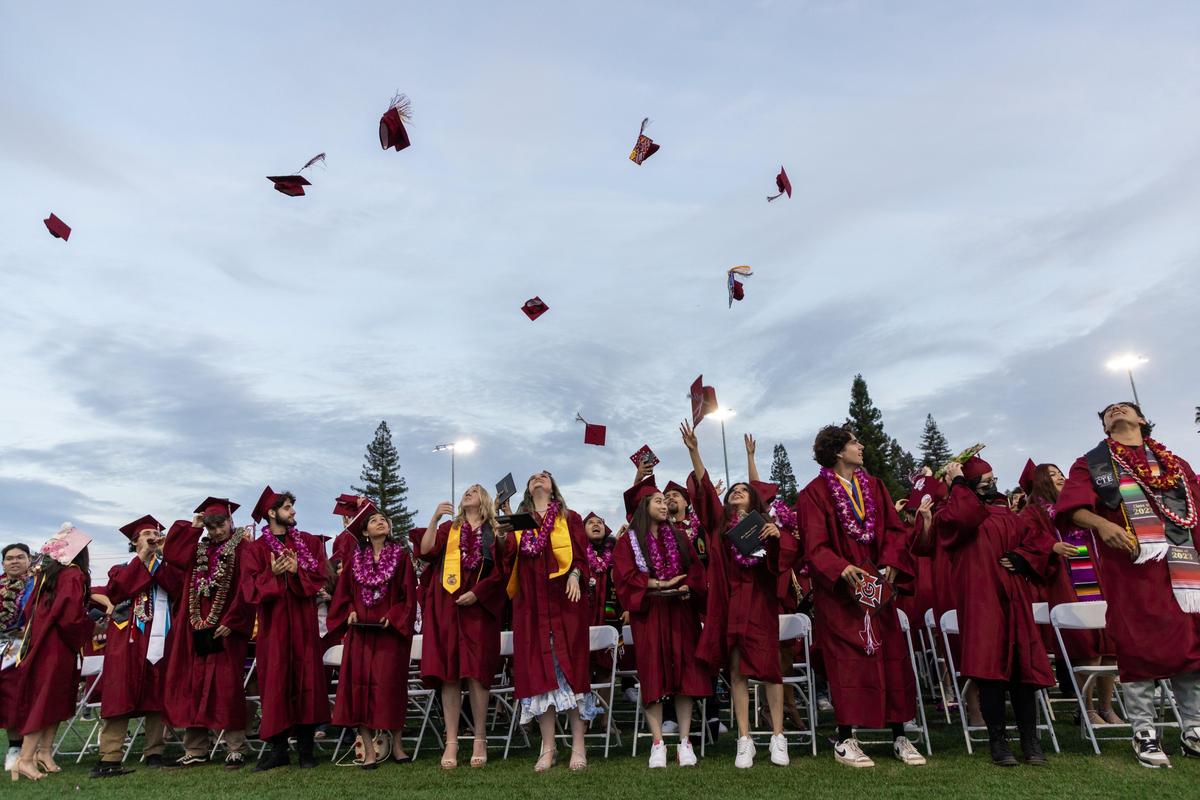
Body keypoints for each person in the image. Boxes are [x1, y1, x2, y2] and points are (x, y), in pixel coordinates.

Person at [1055, 401, 1200, 767]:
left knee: (1191, 646)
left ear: (1141, 419)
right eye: (1108, 411)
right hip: (1133, 570)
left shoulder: (1175, 465)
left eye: (1125, 407)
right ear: (1105, 426)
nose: (1116, 410)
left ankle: (1194, 730)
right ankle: (1144, 733)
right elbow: (1071, 508)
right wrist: (1103, 525)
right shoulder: (1093, 463)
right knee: (1138, 648)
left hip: (1183, 570)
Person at [797, 425, 925, 768]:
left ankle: (899, 734)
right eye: (855, 442)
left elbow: (895, 532)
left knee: (891, 657)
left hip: (878, 586)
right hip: (842, 595)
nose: (861, 446)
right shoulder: (814, 493)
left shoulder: (875, 487)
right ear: (838, 451)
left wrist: (893, 564)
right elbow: (814, 544)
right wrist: (840, 568)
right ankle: (845, 738)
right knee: (847, 665)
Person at [684, 423, 798, 768]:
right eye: (732, 490)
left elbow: (782, 561)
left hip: (760, 603)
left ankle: (779, 737)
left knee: (770, 671)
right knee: (737, 672)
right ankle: (744, 739)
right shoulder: (720, 527)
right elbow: (704, 491)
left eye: (742, 490)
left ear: (754, 499)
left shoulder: (765, 525)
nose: (735, 492)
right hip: (731, 604)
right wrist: (694, 450)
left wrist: (777, 536)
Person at [940, 455, 1053, 766]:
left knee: (1022, 672)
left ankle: (1031, 740)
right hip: (981, 602)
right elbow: (963, 518)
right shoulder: (953, 515)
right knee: (990, 674)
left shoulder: (1008, 514)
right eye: (984, 481)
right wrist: (958, 484)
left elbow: (1039, 543)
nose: (991, 485)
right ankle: (998, 742)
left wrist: (1022, 558)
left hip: (1014, 600)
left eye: (993, 479)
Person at [498, 471, 599, 773]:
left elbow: (582, 558)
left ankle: (578, 747)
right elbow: (507, 560)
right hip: (530, 606)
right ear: (528, 490)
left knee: (573, 672)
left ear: (553, 487)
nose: (538, 478)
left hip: (565, 604)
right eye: (533, 477)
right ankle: (549, 748)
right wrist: (504, 532)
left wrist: (576, 575)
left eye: (545, 475)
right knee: (539, 676)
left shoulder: (571, 518)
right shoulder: (519, 522)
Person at [612, 486, 709, 768]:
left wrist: (686, 586)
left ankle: (684, 741)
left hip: (679, 612)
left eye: (666, 501)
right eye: (658, 500)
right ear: (643, 506)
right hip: (650, 613)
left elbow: (695, 571)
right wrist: (657, 584)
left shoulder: (679, 537)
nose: (665, 504)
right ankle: (657, 743)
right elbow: (624, 576)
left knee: (684, 675)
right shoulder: (628, 543)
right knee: (653, 676)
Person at [1017, 461, 1120, 726]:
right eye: (1053, 474)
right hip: (1064, 581)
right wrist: (1051, 546)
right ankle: (1085, 709)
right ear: (1041, 481)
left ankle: (1106, 708)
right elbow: (1026, 539)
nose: (1061, 477)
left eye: (1061, 473)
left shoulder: (1077, 509)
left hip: (1095, 577)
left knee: (1110, 647)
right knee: (1087, 646)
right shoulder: (1032, 513)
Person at [161, 498, 256, 769]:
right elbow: (173, 556)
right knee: (193, 686)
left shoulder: (244, 548)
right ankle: (196, 749)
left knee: (226, 687)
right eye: (210, 526)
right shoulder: (198, 549)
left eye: (220, 525)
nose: (216, 531)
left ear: (230, 522)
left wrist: (234, 619)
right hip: (195, 626)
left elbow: (246, 586)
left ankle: (236, 747)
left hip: (226, 628)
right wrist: (193, 527)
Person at [419, 485, 508, 769]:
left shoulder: (494, 530)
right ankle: (452, 741)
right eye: (466, 490)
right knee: (450, 674)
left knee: (477, 673)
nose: (468, 493)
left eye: (475, 490)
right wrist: (434, 519)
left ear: (484, 500)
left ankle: (480, 738)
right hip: (447, 606)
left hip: (479, 608)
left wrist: (479, 593)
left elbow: (502, 568)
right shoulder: (450, 528)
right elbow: (426, 551)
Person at [244, 487, 331, 771]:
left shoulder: (306, 542)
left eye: (293, 507)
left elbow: (320, 577)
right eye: (287, 507)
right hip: (274, 627)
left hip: (304, 625)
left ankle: (307, 750)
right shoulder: (256, 549)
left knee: (307, 681)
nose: (293, 512)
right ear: (272, 512)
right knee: (276, 683)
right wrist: (274, 573)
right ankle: (278, 750)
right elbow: (249, 589)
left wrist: (296, 572)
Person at [91, 516, 184, 778]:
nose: (153, 537)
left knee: (157, 694)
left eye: (156, 533)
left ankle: (154, 752)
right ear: (134, 542)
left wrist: (160, 560)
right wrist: (142, 558)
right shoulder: (119, 569)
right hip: (127, 641)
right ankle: (110, 757)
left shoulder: (168, 568)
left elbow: (176, 587)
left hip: (161, 639)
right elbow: (118, 590)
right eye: (146, 534)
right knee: (119, 693)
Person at [329, 500, 418, 768]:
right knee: (359, 692)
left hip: (389, 636)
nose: (381, 522)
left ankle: (398, 746)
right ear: (365, 532)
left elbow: (408, 596)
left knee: (391, 689)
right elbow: (342, 596)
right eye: (374, 520)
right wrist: (349, 612)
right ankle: (369, 751)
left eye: (384, 519)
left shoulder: (401, 556)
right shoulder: (355, 560)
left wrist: (393, 616)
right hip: (360, 636)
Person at [11, 525, 94, 782]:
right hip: (58, 647)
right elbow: (70, 617)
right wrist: (89, 627)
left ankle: (44, 754)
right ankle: (24, 759)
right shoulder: (73, 575)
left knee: (56, 700)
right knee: (45, 701)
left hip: (43, 644)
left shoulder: (45, 577)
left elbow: (28, 613)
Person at [1, 543, 33, 775]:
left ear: (29, 559)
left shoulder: (39, 584)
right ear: (3, 563)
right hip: (4, 649)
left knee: (25, 697)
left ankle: (31, 749)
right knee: (7, 697)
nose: (14, 561)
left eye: (20, 557)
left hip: (30, 646)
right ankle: (14, 747)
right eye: (9, 558)